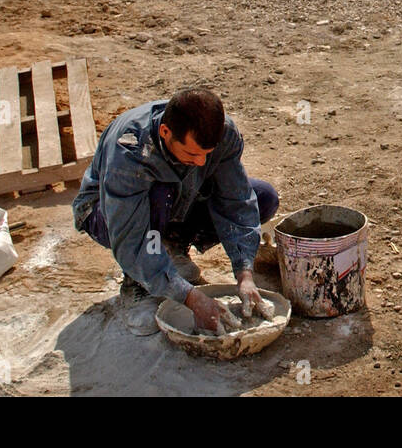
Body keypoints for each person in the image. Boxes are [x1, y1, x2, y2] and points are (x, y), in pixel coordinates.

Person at [71, 88, 278, 333]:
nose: (201, 161)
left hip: (176, 203)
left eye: (206, 154)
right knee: (159, 194)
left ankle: (172, 245)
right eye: (192, 153)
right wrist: (191, 298)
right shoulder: (130, 151)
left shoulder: (223, 133)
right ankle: (137, 281)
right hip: (109, 215)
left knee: (263, 196)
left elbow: (236, 200)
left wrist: (245, 274)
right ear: (165, 132)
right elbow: (130, 237)